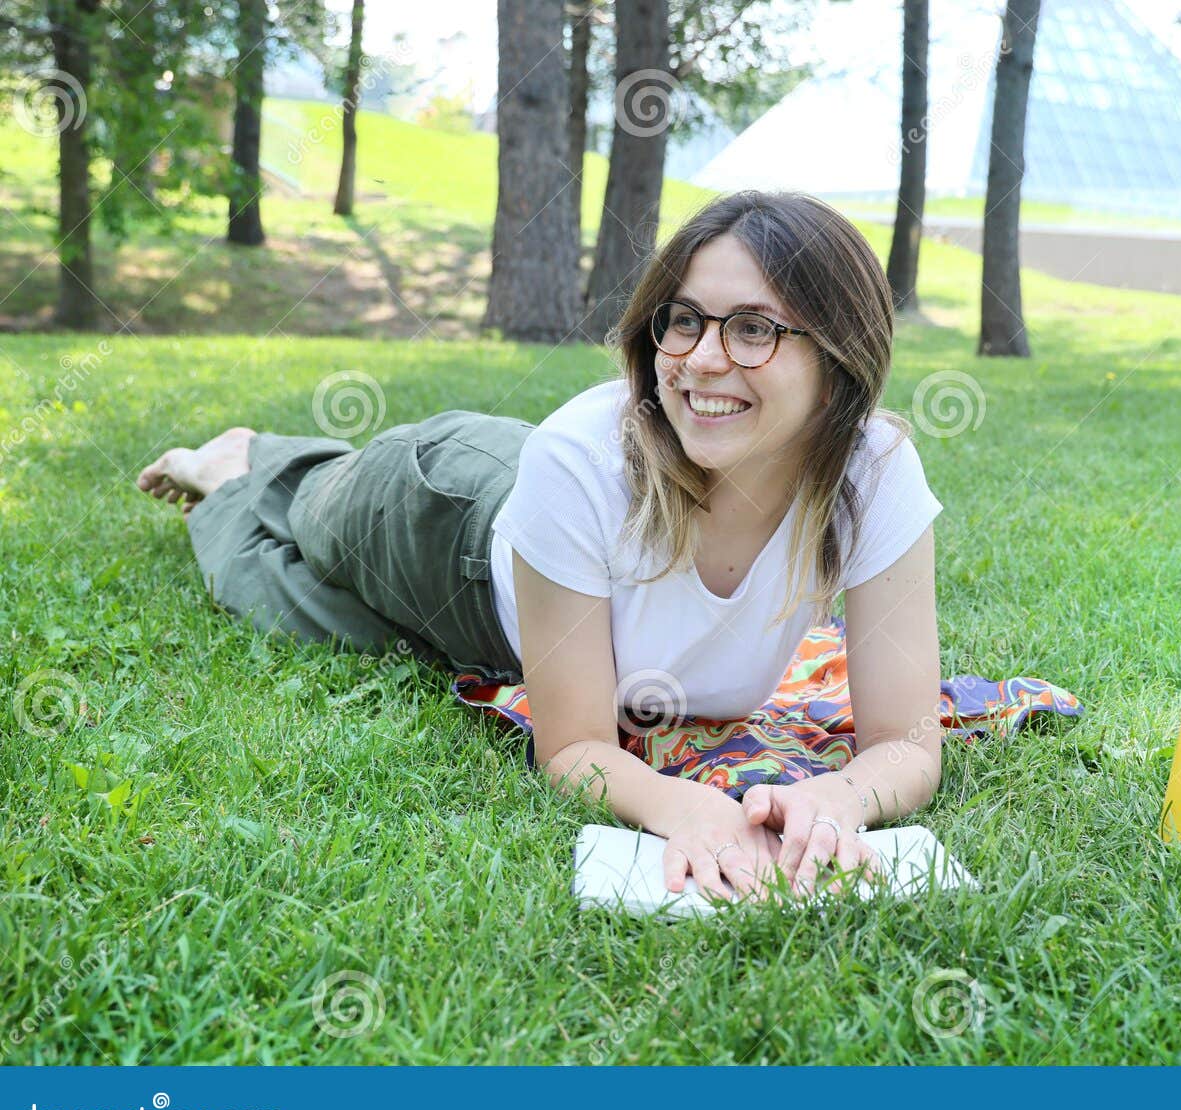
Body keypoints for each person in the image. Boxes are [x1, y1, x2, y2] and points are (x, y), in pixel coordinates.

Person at [137, 190, 945, 903]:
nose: (702, 359)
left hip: (541, 518)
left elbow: (907, 745)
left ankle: (251, 463)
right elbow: (575, 747)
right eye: (686, 320)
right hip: (443, 511)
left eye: (753, 330)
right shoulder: (576, 457)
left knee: (332, 621)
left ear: (840, 360)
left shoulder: (874, 473)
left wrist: (839, 799)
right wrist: (683, 807)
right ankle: (239, 465)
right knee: (305, 531)